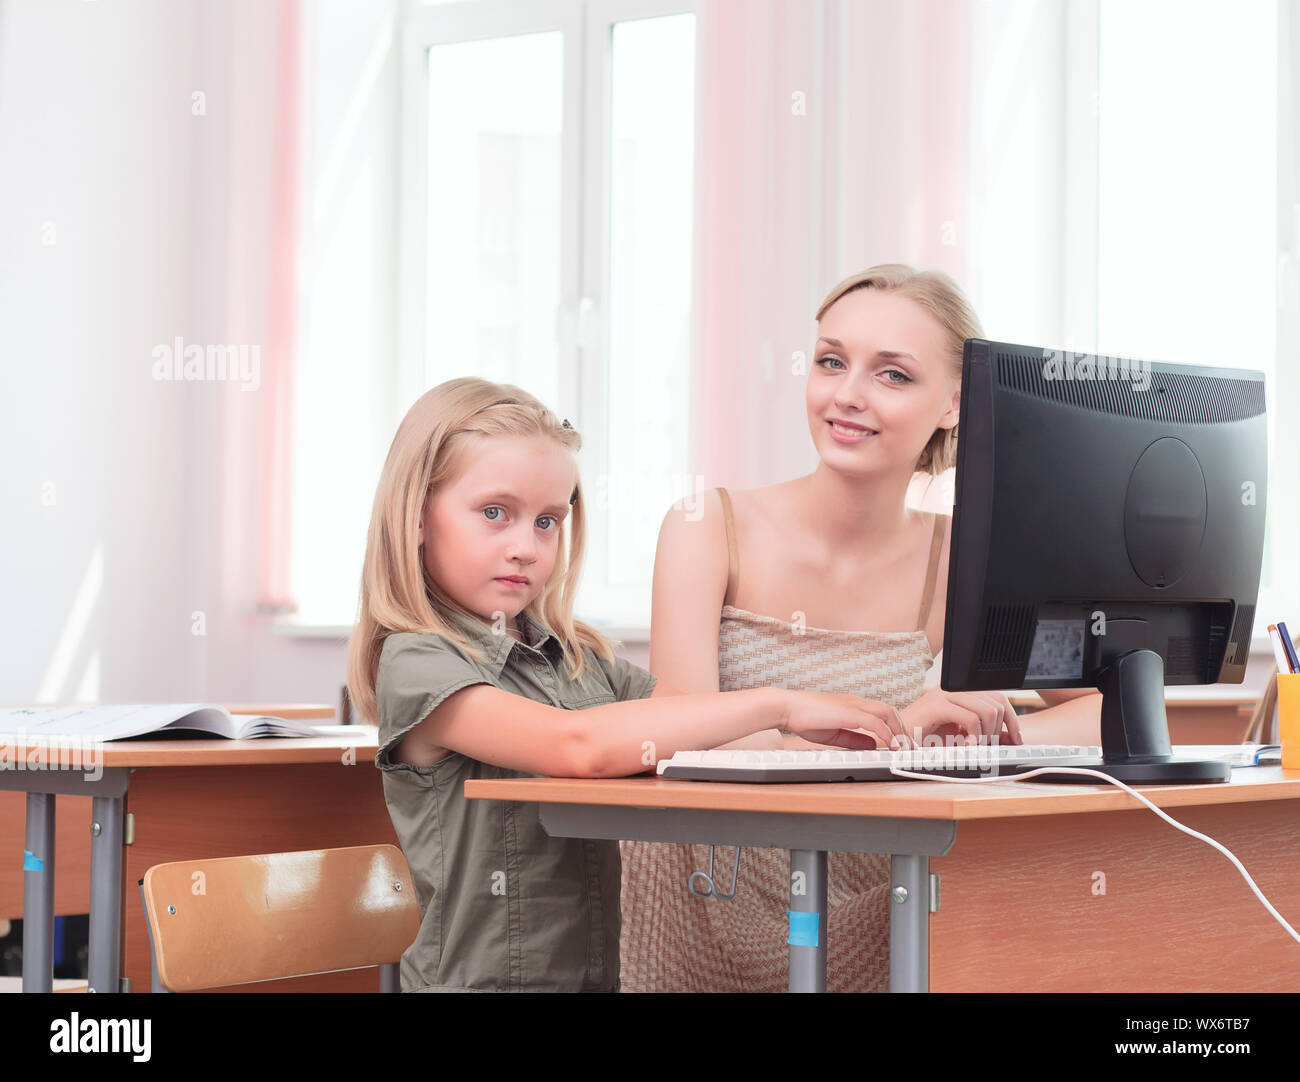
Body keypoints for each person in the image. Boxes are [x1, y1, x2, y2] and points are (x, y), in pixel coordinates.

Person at [346, 376, 972, 993]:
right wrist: (778, 700)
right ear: (417, 517)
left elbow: (706, 736)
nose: (525, 547)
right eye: (494, 514)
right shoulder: (417, 661)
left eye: (546, 522)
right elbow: (578, 747)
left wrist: (889, 730)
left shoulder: (581, 659)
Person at [619, 263, 1103, 993]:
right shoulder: (707, 527)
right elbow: (682, 734)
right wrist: (897, 732)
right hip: (707, 899)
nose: (846, 395)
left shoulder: (958, 557)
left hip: (875, 894)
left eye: (893, 375)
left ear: (954, 404)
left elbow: (1109, 709)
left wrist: (956, 749)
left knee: (1036, 913)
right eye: (831, 361)